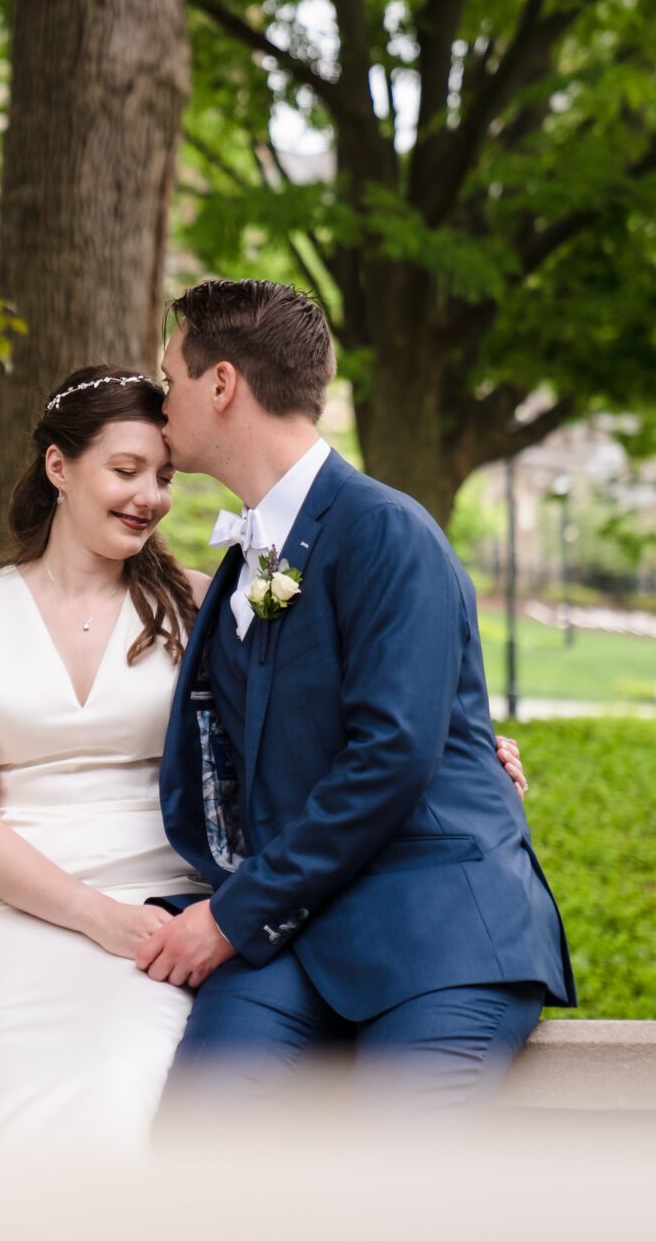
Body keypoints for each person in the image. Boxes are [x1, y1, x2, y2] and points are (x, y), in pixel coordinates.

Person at [0, 363, 533, 1151]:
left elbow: (315, 715)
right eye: (125, 469)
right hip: (9, 914)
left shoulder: (204, 598)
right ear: (58, 467)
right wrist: (101, 920)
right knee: (20, 1092)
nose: (150, 495)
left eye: (164, 474)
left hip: (168, 908)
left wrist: (461, 748)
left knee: (130, 1088)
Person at [138, 278, 575, 1118]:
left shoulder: (386, 529)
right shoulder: (247, 560)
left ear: (222, 384)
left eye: (171, 379)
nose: (163, 401)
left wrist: (230, 916)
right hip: (296, 930)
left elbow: (393, 755)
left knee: (390, 1181)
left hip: (437, 926)